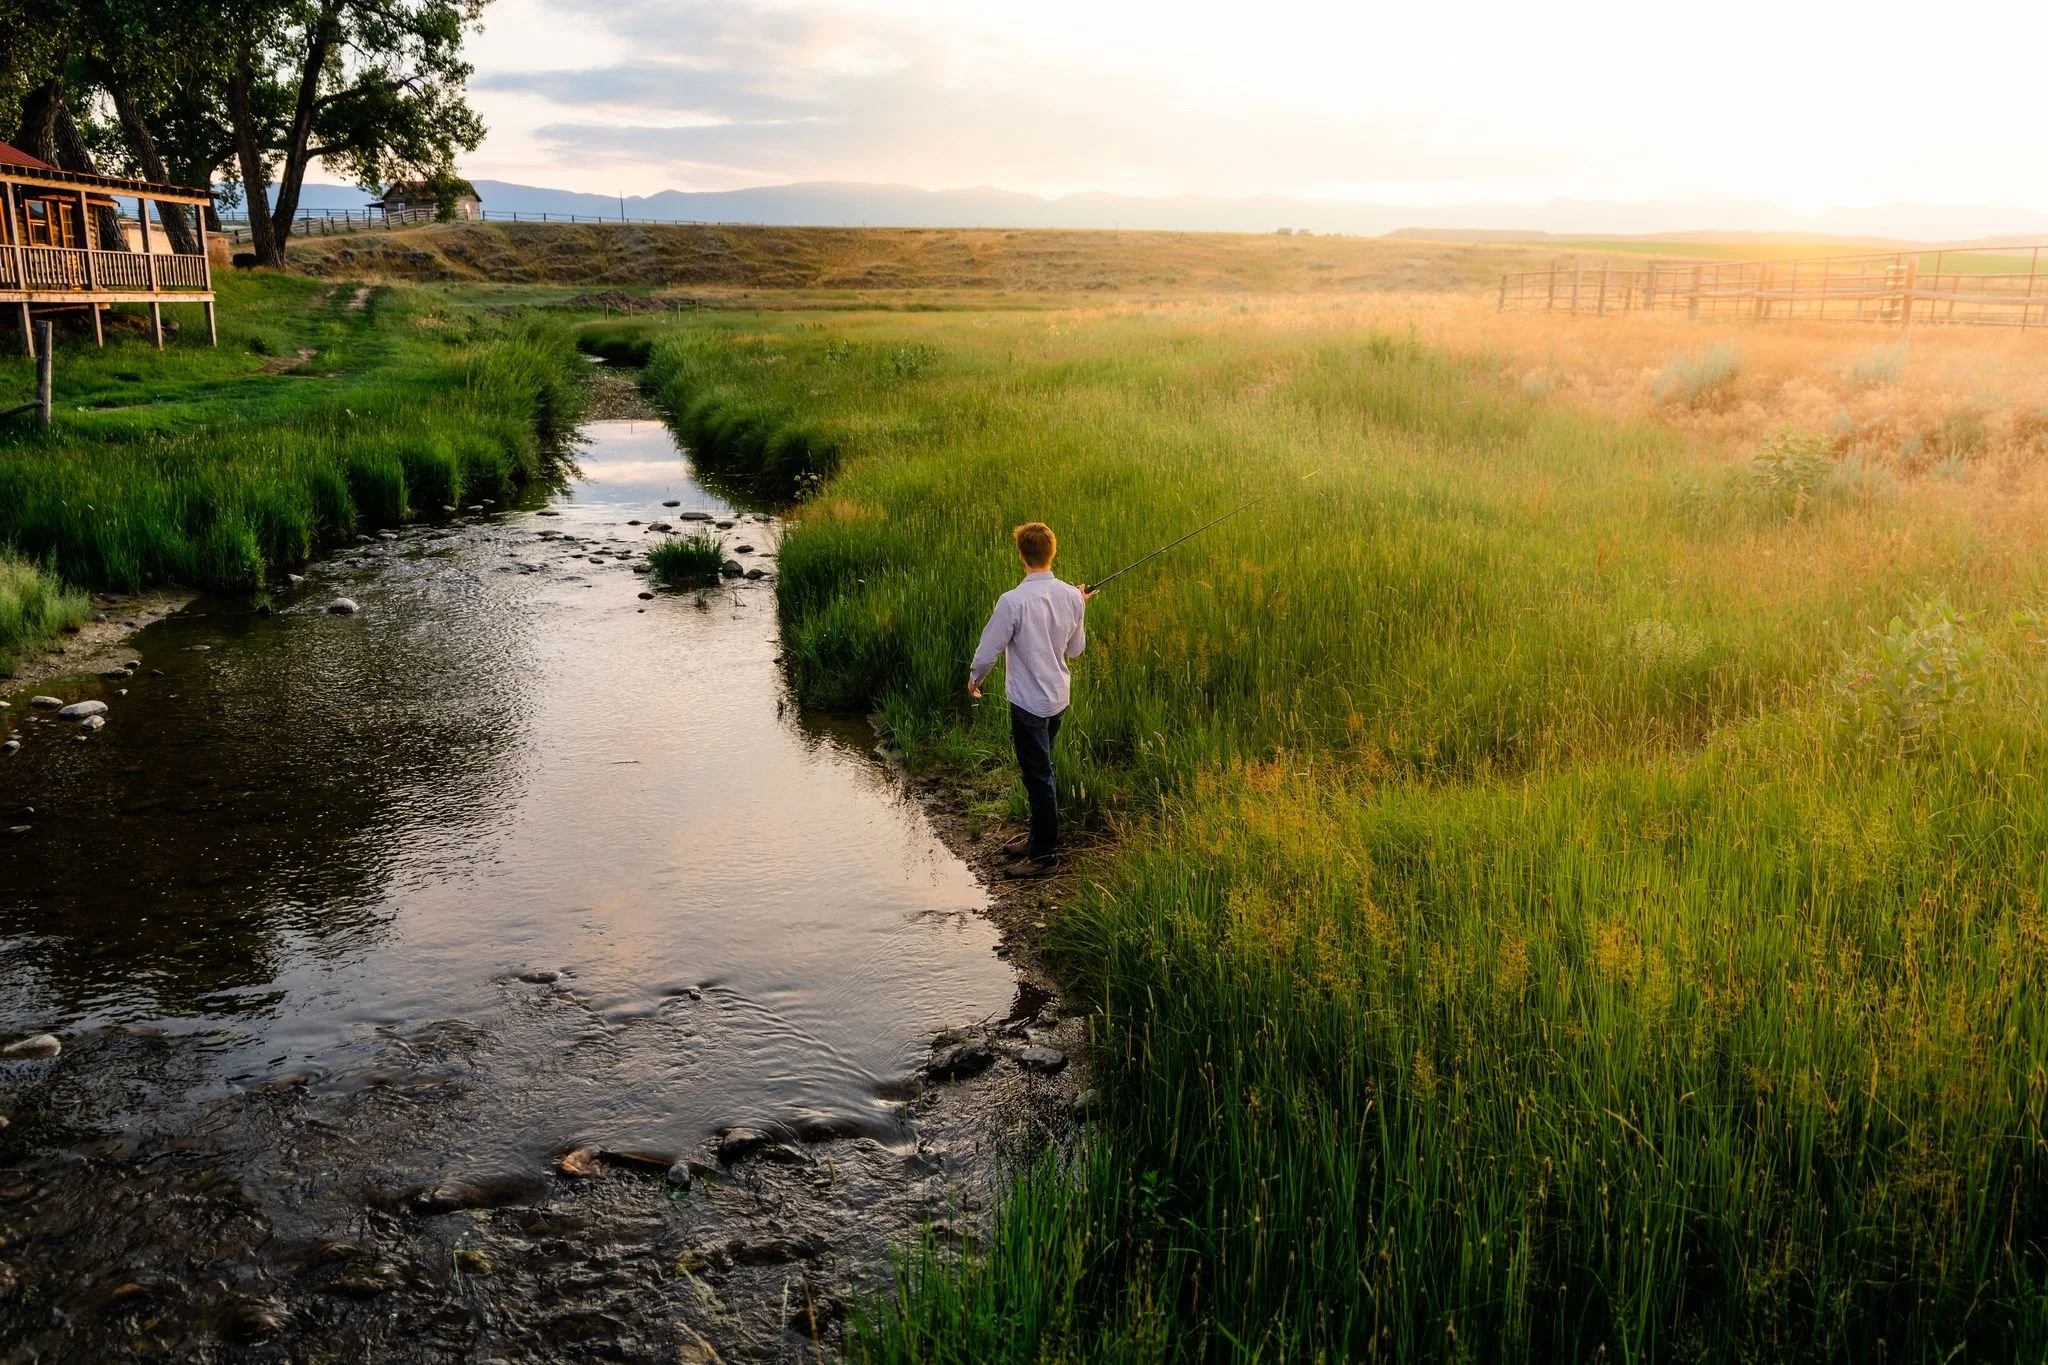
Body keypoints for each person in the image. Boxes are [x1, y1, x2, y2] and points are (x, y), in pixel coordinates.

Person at [968, 521, 1094, 879]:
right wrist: (1079, 604)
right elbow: (1076, 649)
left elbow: (988, 649)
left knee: (1039, 776)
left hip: (1028, 705)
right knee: (1041, 771)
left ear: (1022, 557)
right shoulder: (1071, 596)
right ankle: (1038, 838)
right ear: (1052, 553)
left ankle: (1044, 856)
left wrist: (975, 678)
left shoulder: (1013, 602)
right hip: (1058, 700)